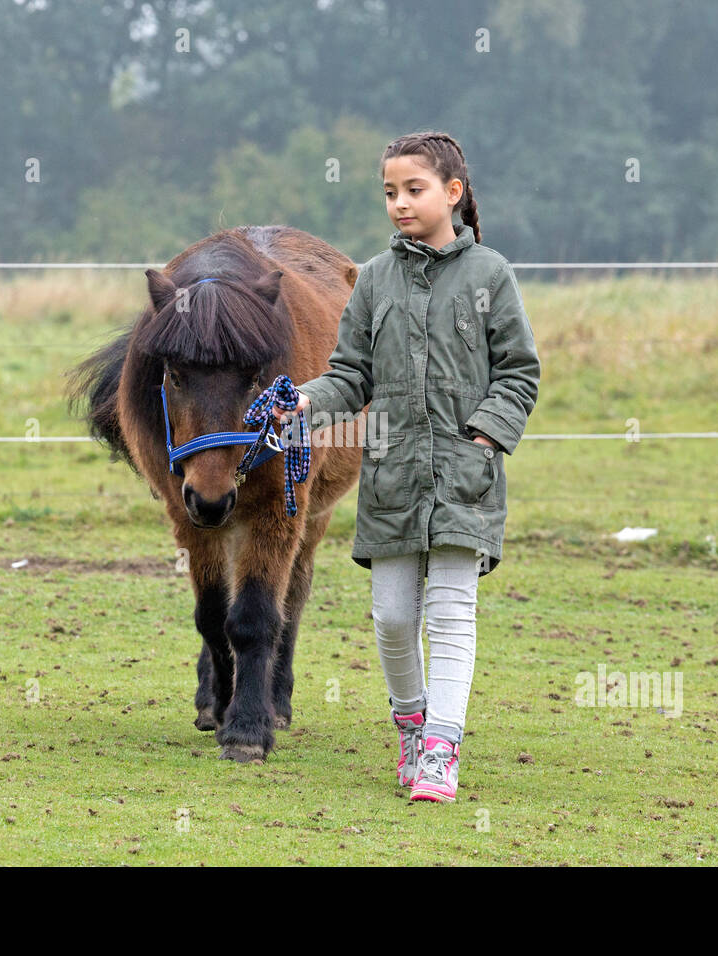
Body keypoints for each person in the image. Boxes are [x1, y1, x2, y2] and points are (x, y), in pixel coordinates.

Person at [273, 131, 540, 802]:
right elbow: (348, 376)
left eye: (413, 190)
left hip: (464, 477)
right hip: (391, 476)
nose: (399, 204)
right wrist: (302, 404)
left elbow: (518, 371)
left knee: (451, 612)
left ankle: (443, 750)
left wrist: (486, 436)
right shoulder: (373, 281)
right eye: (389, 192)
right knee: (392, 617)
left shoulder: (491, 275)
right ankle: (412, 724)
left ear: (452, 192)